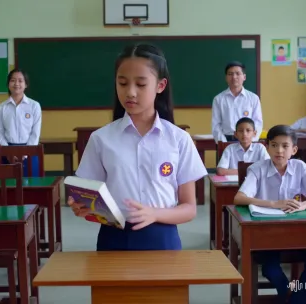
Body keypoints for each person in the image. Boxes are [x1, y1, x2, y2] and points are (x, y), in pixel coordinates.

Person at [67, 43, 207, 251]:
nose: (130, 92)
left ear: (160, 86)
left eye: (141, 84)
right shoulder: (101, 139)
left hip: (163, 237)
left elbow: (189, 208)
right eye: (122, 83)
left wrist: (155, 213)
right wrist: (82, 207)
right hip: (114, 238)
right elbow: (90, 198)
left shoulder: (179, 139)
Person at [234, 125, 306, 304]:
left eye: (285, 146)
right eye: (274, 145)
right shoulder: (258, 168)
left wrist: (304, 205)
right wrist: (273, 204)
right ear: (267, 147)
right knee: (270, 269)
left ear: (294, 149)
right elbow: (239, 198)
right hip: (266, 233)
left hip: (295, 231)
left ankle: (296, 300)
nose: (279, 150)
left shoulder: (300, 167)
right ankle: (288, 293)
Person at [0, 69, 42, 177]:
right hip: (7, 153)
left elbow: (35, 134)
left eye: (20, 81)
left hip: (30, 151)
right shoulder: (1, 107)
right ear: (8, 84)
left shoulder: (34, 106)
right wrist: (8, 152)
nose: (16, 84)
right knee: (8, 188)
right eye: (13, 80)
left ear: (26, 84)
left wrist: (24, 154)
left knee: (32, 188)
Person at [211, 61, 263, 142]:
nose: (234, 77)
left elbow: (258, 123)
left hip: (248, 140)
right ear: (226, 77)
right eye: (230, 74)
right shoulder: (218, 99)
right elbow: (216, 125)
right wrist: (223, 143)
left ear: (244, 77)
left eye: (238, 73)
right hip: (226, 140)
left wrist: (251, 141)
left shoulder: (253, 98)